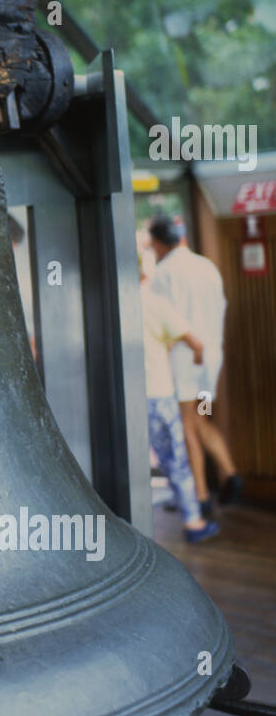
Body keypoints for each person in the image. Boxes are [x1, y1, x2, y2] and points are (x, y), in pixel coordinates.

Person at [149, 216, 241, 514]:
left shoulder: (164, 273)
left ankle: (200, 496)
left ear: (159, 243)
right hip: (209, 361)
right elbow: (221, 308)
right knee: (201, 418)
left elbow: (166, 321)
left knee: (187, 424)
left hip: (184, 360)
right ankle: (228, 472)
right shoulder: (206, 266)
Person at [139, 256, 218, 543]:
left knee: (195, 425)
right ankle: (207, 492)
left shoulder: (161, 295)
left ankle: (206, 491)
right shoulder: (206, 277)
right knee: (196, 426)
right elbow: (197, 344)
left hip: (190, 382)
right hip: (194, 379)